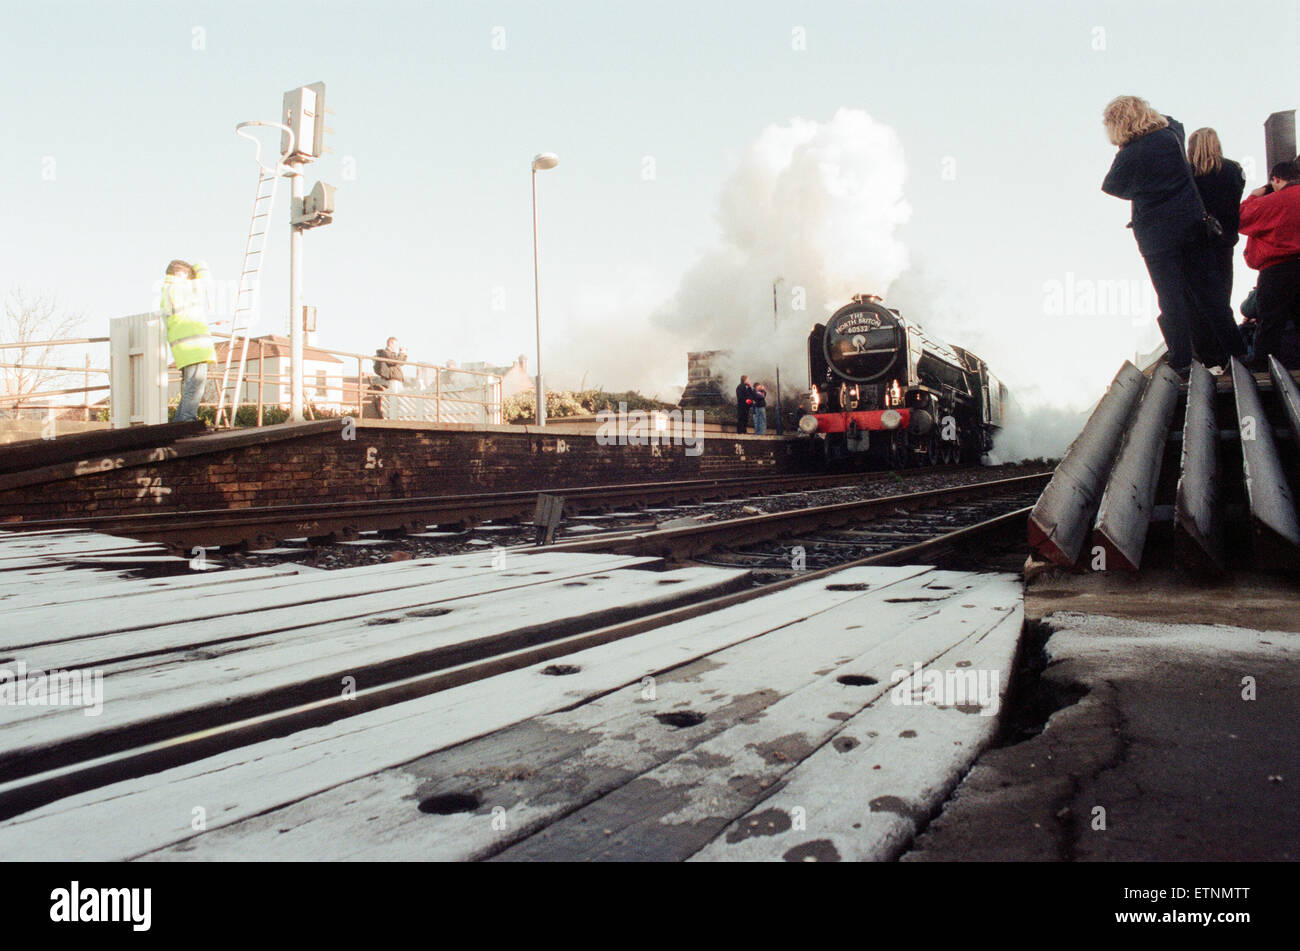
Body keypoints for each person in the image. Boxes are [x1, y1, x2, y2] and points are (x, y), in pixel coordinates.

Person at [1101, 96, 1244, 375]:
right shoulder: (1172, 135)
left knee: (1171, 299)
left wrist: (1141, 185)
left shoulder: (1128, 155)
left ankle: (1181, 359)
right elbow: (1173, 119)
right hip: (1192, 227)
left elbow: (1112, 187)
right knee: (1211, 295)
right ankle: (1238, 353)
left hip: (1156, 238)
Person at [1187, 128, 1246, 362]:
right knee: (1222, 298)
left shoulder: (1188, 174)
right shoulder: (1234, 170)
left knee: (1198, 302)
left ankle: (1210, 356)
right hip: (1225, 242)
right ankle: (1232, 352)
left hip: (1196, 244)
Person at [1239, 161, 1300, 370]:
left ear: (1276, 179)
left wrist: (1255, 195)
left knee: (1270, 323)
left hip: (1277, 270)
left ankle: (1262, 367)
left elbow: (1240, 218)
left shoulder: (1272, 201)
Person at [160, 259, 216, 423]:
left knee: (190, 386)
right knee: (195, 385)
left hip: (184, 347)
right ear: (180, 274)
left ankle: (180, 420)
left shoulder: (168, 290)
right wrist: (200, 267)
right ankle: (186, 419)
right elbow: (205, 284)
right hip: (194, 347)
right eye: (188, 275)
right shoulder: (179, 288)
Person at [372, 337, 407, 418]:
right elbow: (394, 361)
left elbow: (400, 363)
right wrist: (401, 353)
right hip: (393, 378)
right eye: (395, 344)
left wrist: (404, 355)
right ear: (390, 343)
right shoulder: (386, 352)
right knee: (394, 397)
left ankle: (397, 414)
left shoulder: (392, 354)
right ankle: (393, 415)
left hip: (397, 379)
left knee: (399, 398)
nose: (396, 347)